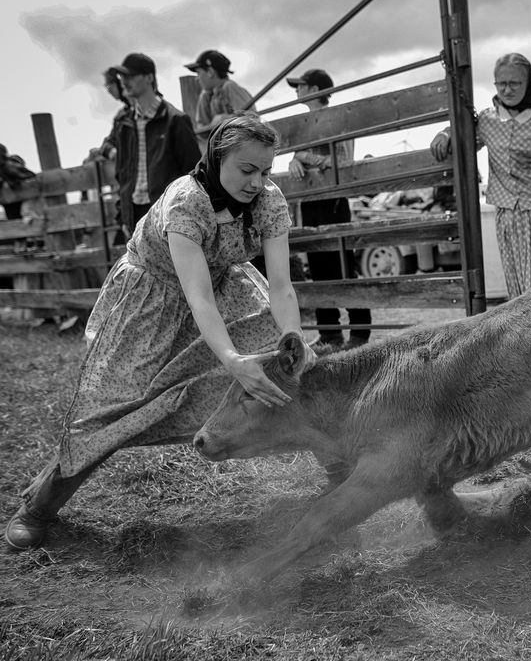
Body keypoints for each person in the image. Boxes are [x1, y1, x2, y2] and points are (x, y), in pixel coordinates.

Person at [4, 113, 317, 551]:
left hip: (226, 287)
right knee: (112, 409)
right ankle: (37, 507)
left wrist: (291, 340)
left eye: (265, 171)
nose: (256, 182)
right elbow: (197, 298)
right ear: (216, 158)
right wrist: (231, 360)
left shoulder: (268, 200)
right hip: (152, 300)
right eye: (246, 170)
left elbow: (281, 286)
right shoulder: (186, 201)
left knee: (291, 368)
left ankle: (341, 472)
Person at [429, 53, 531, 298]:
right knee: (523, 297)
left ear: (528, 85)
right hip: (509, 222)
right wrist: (445, 132)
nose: (507, 89)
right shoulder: (487, 120)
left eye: (515, 83)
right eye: (501, 83)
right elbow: (462, 133)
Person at [286, 68, 371, 349]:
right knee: (319, 264)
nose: (297, 91)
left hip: (334, 201)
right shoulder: (302, 124)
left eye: (300, 86)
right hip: (311, 201)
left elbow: (343, 160)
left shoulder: (337, 119)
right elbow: (306, 160)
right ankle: (330, 332)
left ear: (314, 89)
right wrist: (294, 162)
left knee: (341, 266)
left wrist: (302, 157)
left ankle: (359, 331)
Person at [108, 52, 202, 236]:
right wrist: (124, 217)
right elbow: (122, 173)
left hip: (167, 214)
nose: (124, 81)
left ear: (149, 77)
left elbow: (193, 173)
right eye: (122, 76)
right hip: (134, 215)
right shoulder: (123, 123)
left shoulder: (176, 120)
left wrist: (182, 215)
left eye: (131, 76)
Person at [186, 49, 256, 148]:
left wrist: (225, 120)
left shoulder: (230, 87)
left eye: (199, 73)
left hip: (242, 148)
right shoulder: (206, 96)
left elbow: (252, 120)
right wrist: (214, 125)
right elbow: (201, 129)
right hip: (222, 150)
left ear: (210, 72)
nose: (197, 78)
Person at [0, 143, 35, 221]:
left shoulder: (9, 166)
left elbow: (30, 178)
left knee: (20, 219)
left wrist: (12, 183)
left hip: (22, 200)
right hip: (11, 201)